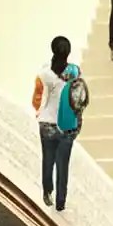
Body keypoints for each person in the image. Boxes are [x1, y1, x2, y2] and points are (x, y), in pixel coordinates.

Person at [32, 36, 81, 210]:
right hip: (66, 125)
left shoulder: (44, 74)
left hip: (46, 123)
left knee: (48, 159)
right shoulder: (74, 72)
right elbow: (78, 97)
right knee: (63, 164)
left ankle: (47, 192)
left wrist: (39, 113)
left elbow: (36, 100)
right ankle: (61, 201)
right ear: (68, 53)